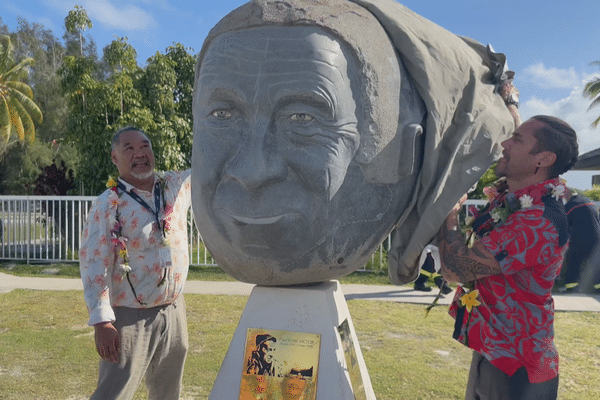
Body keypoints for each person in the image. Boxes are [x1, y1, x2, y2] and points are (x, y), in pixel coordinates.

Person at [191, 0, 516, 286]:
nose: (253, 171)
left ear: (403, 153)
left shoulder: (539, 221)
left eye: (302, 119)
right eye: (222, 114)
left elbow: (462, 268)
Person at [438, 115, 579, 399]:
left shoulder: (538, 220)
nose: (504, 143)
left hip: (518, 369)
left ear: (543, 159)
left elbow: (459, 269)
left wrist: (448, 211)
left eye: (516, 139)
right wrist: (508, 95)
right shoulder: (513, 201)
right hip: (495, 350)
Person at [79, 126, 192, 400]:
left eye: (145, 146)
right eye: (128, 149)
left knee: (167, 393)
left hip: (173, 310)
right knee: (113, 393)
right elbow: (95, 263)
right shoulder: (108, 203)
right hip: (129, 316)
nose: (140, 154)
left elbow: (209, 168)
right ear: (115, 158)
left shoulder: (174, 186)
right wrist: (102, 322)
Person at [557, 192, 600, 293]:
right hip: (596, 237)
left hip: (580, 238)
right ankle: (598, 288)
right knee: (596, 263)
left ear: (567, 197)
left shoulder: (569, 206)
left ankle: (571, 287)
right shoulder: (589, 202)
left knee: (573, 262)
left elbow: (564, 226)